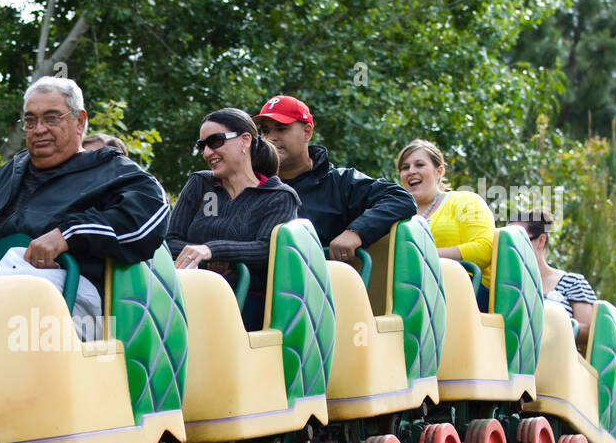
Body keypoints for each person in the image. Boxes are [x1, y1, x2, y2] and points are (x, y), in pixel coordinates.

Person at [0, 77, 169, 304]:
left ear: (80, 121)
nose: (39, 129)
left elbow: (151, 216)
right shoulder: (9, 173)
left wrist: (66, 234)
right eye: (30, 121)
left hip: (71, 301)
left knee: (19, 282)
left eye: (51, 118)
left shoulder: (110, 170)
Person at [165, 108, 298, 329]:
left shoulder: (279, 196)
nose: (207, 152)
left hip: (247, 298)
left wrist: (212, 250)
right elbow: (171, 240)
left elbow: (267, 249)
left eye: (215, 141)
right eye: (202, 145)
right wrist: (207, 257)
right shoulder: (201, 184)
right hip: (192, 292)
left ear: (245, 140)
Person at [254, 94, 414, 264]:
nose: (270, 138)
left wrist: (356, 232)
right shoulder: (251, 182)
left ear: (307, 132)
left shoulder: (341, 183)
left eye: (281, 128)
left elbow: (400, 198)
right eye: (265, 131)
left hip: (315, 286)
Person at [396, 139, 495, 310]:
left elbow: (484, 249)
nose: (411, 171)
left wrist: (424, 256)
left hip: (465, 289)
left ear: (439, 170)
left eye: (419, 165)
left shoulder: (465, 201)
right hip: (409, 291)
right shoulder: (398, 216)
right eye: (405, 167)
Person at [507, 208, 596, 348]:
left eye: (519, 240)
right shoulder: (507, 284)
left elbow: (590, 333)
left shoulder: (572, 283)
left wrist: (554, 327)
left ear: (541, 241)